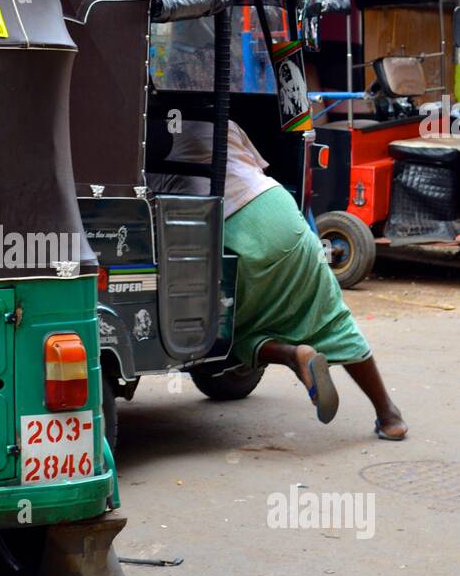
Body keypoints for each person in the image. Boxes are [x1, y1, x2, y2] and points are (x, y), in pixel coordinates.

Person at [149, 119, 407, 440]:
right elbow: (257, 165)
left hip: (230, 231)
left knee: (235, 331)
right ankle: (388, 415)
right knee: (333, 317)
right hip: (278, 210)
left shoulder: (149, 143)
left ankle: (292, 355)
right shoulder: (222, 123)